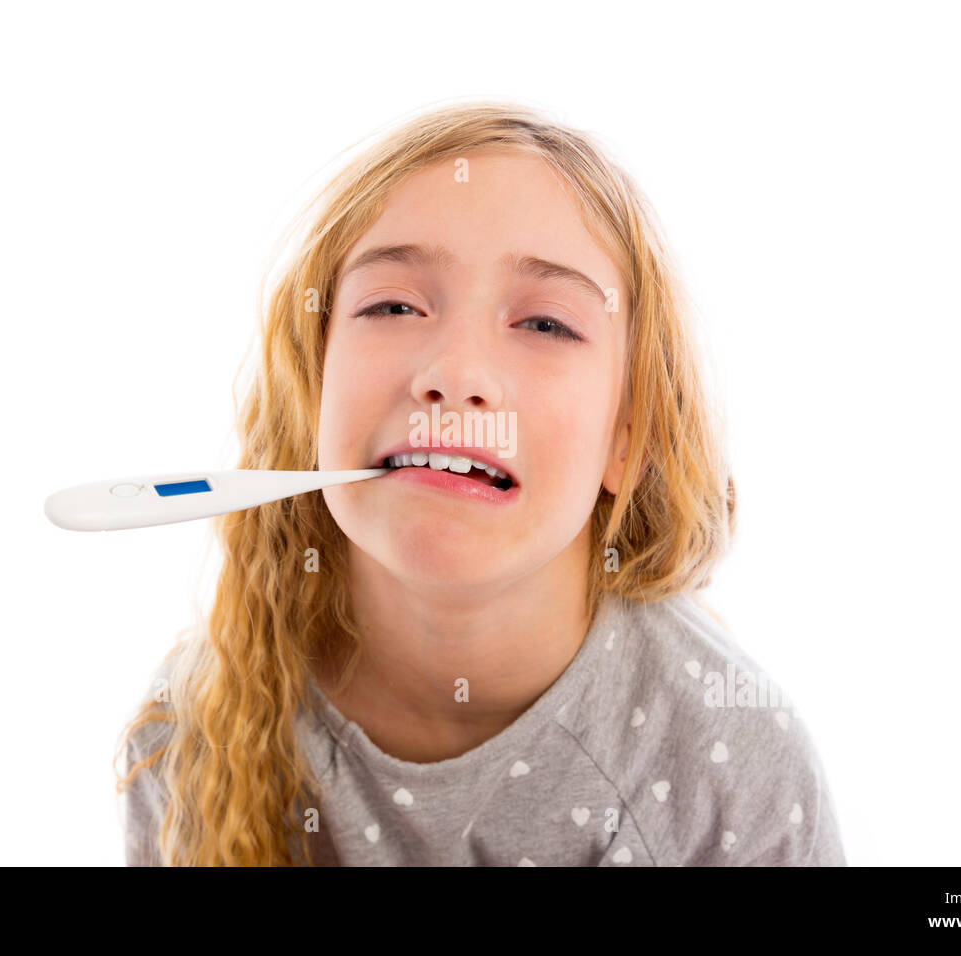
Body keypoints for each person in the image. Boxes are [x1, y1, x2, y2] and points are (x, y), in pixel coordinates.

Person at [116, 99, 846, 866]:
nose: (455, 375)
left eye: (545, 324)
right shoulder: (193, 734)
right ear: (314, 390)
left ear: (628, 439)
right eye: (393, 304)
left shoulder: (729, 767)